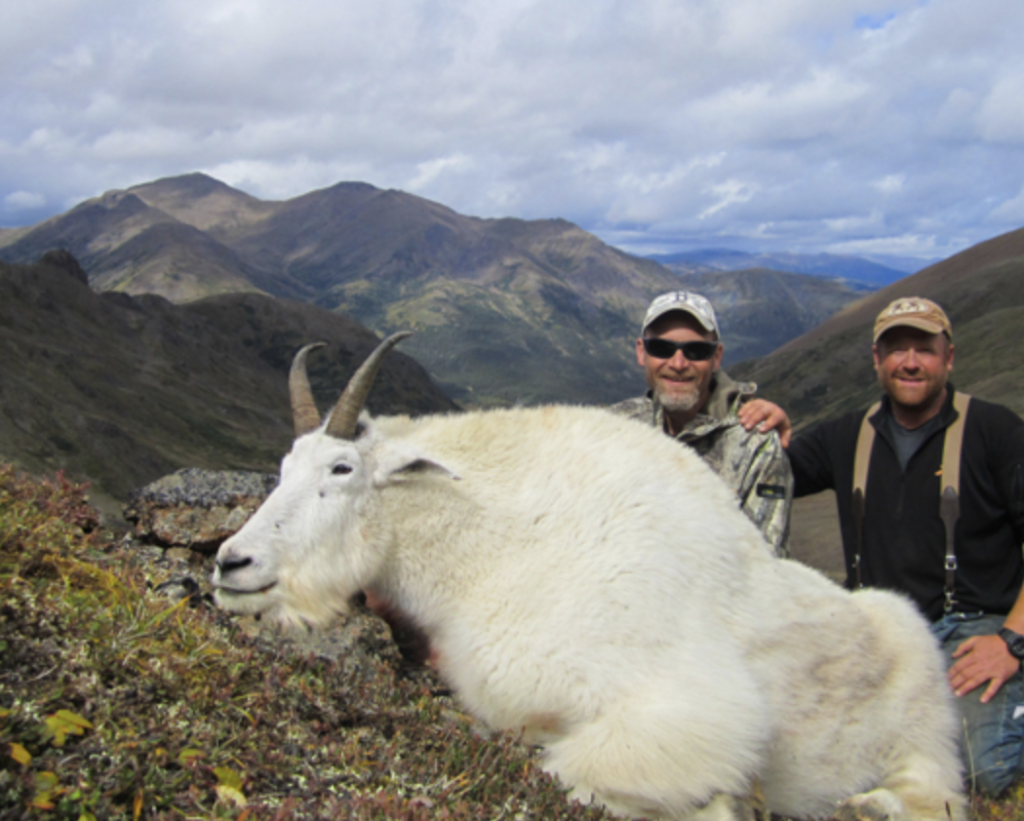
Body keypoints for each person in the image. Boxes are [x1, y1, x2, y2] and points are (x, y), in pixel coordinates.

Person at [773, 296, 1024, 796]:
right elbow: (772, 474)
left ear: (948, 358)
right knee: (803, 749)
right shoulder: (845, 435)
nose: (910, 362)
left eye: (924, 350)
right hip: (876, 628)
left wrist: (1011, 643)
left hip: (975, 629)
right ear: (876, 359)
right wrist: (765, 426)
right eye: (896, 349)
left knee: (979, 770)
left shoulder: (998, 432)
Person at [608, 291, 793, 557]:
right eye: (661, 348)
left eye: (696, 351)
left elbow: (764, 567)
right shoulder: (615, 428)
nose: (678, 363)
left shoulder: (757, 445)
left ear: (716, 357)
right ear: (642, 352)